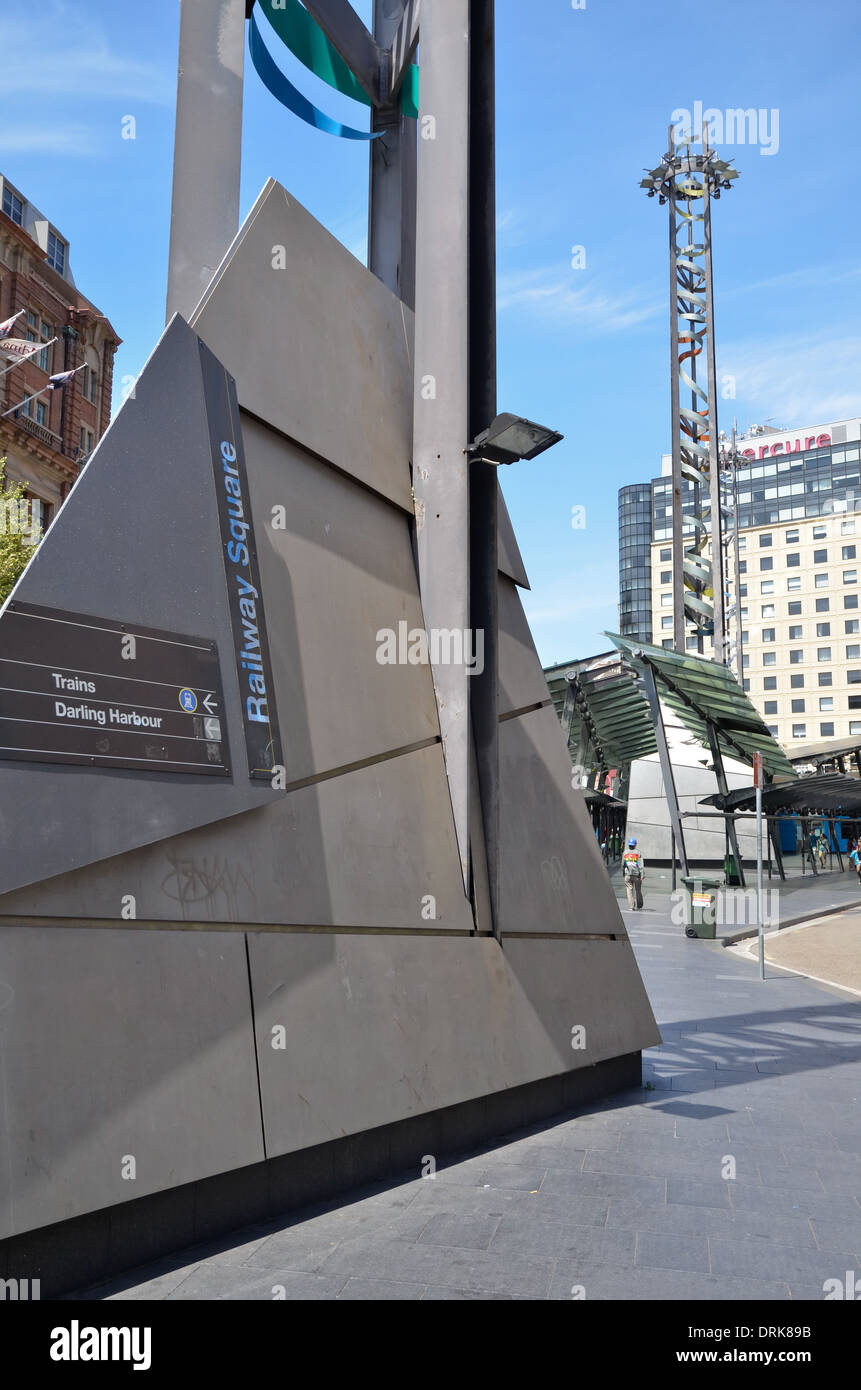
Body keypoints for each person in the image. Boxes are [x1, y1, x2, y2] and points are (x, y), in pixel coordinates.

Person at [622, 837, 645, 910]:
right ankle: (639, 906)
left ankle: (631, 907)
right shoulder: (638, 853)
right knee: (638, 890)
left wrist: (623, 873)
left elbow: (623, 864)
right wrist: (642, 875)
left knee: (629, 890)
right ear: (635, 844)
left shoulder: (625, 853)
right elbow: (641, 865)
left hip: (628, 875)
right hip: (637, 875)